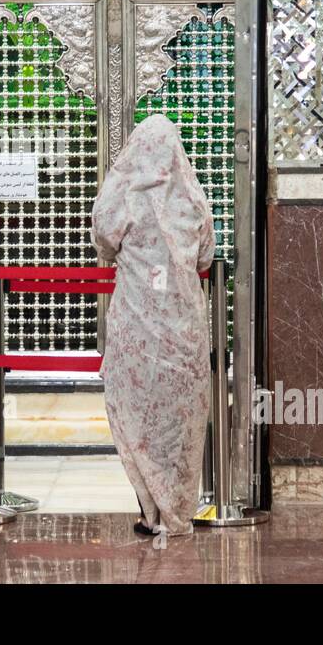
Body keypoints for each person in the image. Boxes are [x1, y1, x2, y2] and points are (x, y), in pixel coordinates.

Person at [91, 114, 215, 536]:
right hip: (185, 330)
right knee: (180, 420)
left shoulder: (122, 195)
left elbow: (104, 243)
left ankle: (150, 511)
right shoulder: (193, 198)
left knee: (136, 415)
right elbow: (206, 258)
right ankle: (178, 511)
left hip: (137, 327)